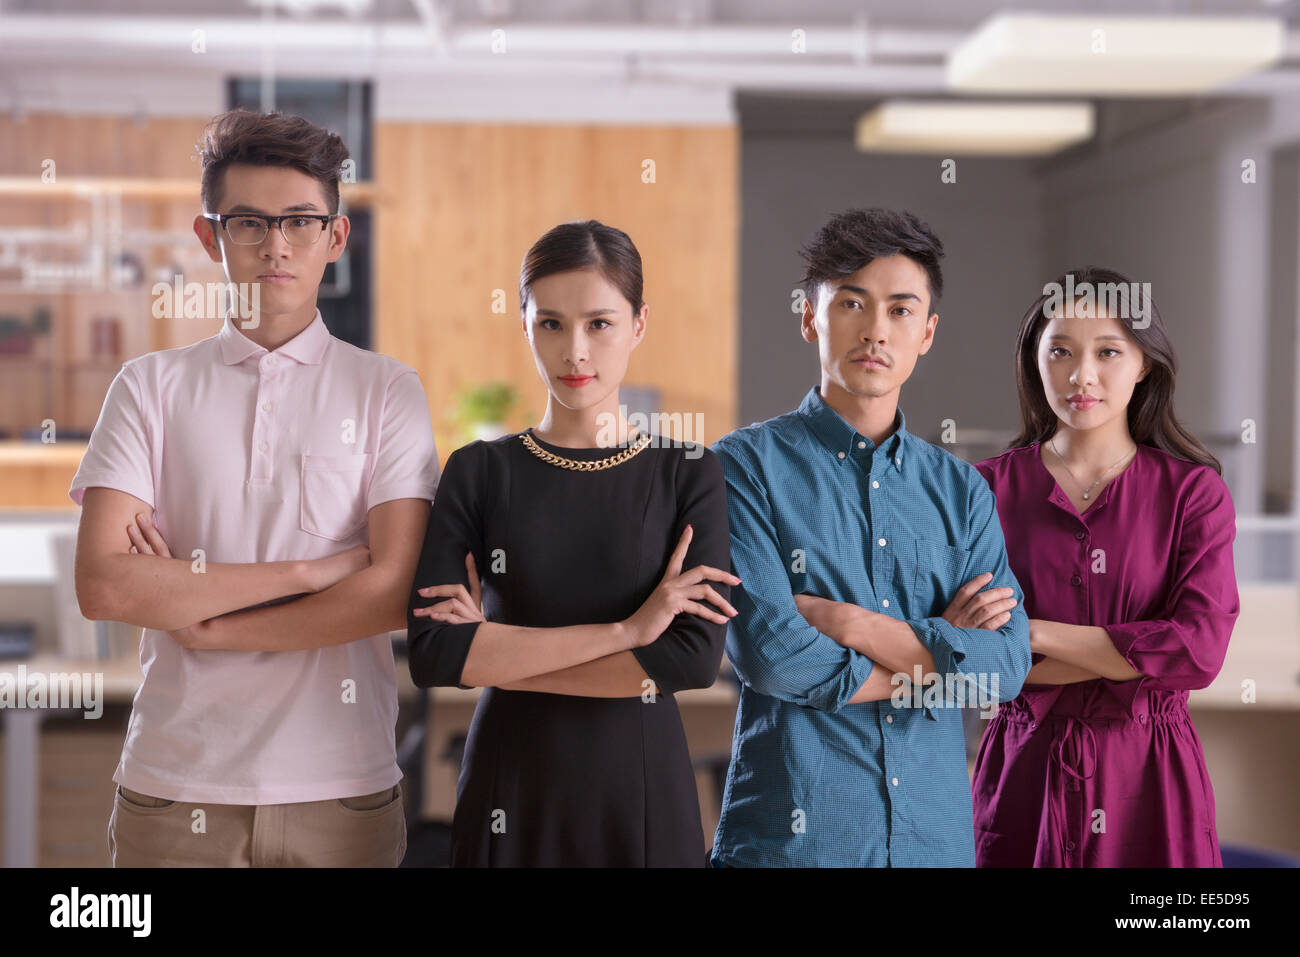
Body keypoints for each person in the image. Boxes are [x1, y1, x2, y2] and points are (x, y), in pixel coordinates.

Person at [71, 109, 437, 866]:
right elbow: (106, 585)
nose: (276, 245)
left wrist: (207, 617)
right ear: (210, 237)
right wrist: (312, 572)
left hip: (343, 793)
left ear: (336, 239)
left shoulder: (387, 392)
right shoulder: (148, 387)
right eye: (249, 222)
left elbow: (393, 588)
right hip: (176, 788)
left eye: (301, 221)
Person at [406, 219, 738, 867]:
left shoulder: (688, 473)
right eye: (551, 323)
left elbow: (691, 659)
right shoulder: (478, 471)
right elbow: (436, 653)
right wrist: (628, 631)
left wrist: (499, 653)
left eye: (600, 323)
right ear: (524, 324)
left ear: (639, 323)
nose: (576, 352)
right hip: (512, 785)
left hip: (639, 793)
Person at [709, 207, 1031, 867]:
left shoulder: (962, 490)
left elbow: (1003, 668)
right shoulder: (742, 466)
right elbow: (775, 658)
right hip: (795, 845)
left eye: (901, 310)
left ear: (928, 332)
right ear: (810, 317)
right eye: (852, 303)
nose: (876, 330)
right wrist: (941, 655)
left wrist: (847, 622)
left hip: (933, 845)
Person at [971, 266, 1239, 867]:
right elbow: (968, 659)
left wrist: (1031, 634)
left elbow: (1197, 652)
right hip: (1022, 772)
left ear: (1144, 363)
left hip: (1151, 777)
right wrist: (1131, 660)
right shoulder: (981, 491)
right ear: (1034, 361)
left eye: (1108, 351)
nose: (1081, 375)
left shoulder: (1193, 494)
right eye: (1060, 350)